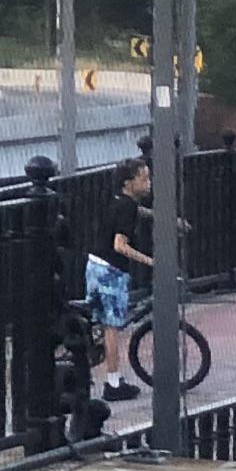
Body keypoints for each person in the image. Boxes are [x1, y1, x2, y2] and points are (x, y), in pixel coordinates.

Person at [86, 156, 154, 401]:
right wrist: (151, 262)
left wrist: (160, 217)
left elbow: (138, 211)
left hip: (96, 265)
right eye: (144, 178)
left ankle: (101, 369)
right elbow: (120, 245)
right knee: (112, 327)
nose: (149, 183)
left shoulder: (120, 201)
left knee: (104, 324)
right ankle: (113, 383)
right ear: (128, 183)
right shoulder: (127, 208)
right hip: (111, 270)